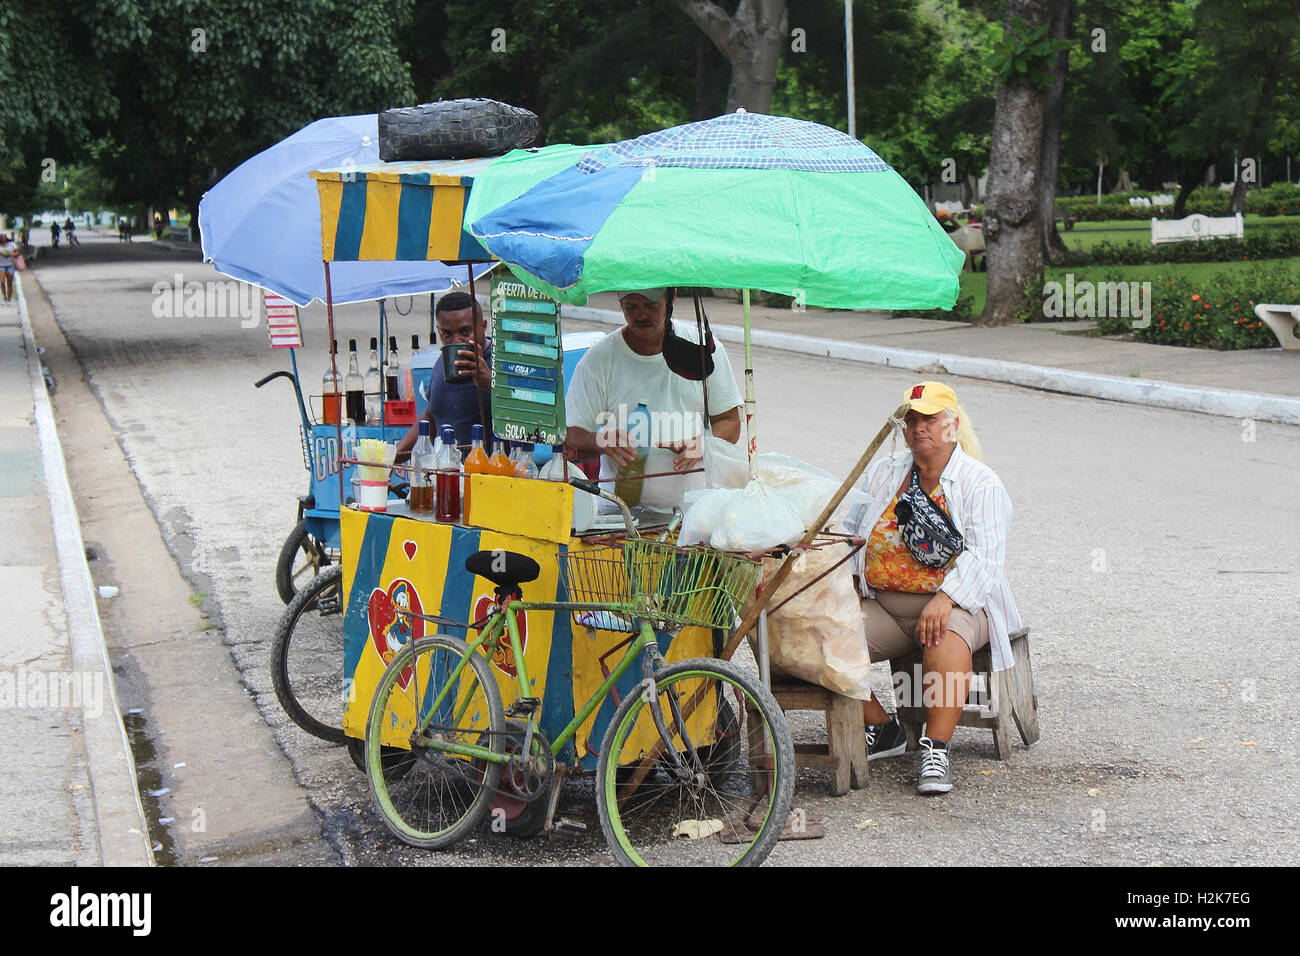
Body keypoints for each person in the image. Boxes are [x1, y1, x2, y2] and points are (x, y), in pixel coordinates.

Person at [843, 381, 1020, 795]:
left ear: (952, 426)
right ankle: (881, 727)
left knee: (945, 634)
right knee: (823, 632)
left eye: (930, 418)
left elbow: (986, 557)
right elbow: (849, 531)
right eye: (911, 419)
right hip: (885, 605)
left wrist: (946, 598)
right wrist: (849, 583)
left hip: (961, 603)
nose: (919, 426)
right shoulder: (884, 471)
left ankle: (935, 749)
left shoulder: (979, 482)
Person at [564, 288, 742, 514]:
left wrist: (703, 443)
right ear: (621, 304)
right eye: (632, 307)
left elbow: (730, 422)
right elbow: (570, 439)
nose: (641, 315)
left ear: (671, 299)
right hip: (620, 514)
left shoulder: (703, 350)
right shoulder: (598, 360)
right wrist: (600, 441)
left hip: (695, 512)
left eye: (650, 306)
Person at [394, 291, 493, 461]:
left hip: (487, 477)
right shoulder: (442, 362)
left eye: (465, 332)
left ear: (483, 326)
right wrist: (394, 456)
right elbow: (433, 415)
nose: (456, 341)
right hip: (447, 475)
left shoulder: (500, 361)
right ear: (439, 332)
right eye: (447, 334)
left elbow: (525, 412)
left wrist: (490, 382)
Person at [0, 234, 18, 304]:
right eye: (1, 238)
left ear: (6, 238)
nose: (3, 239)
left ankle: (9, 298)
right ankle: (4, 297)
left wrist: (10, 255)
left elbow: (17, 252)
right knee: (2, 282)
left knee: (9, 282)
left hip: (10, 265)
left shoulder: (11, 244)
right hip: (1, 265)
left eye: (4, 238)